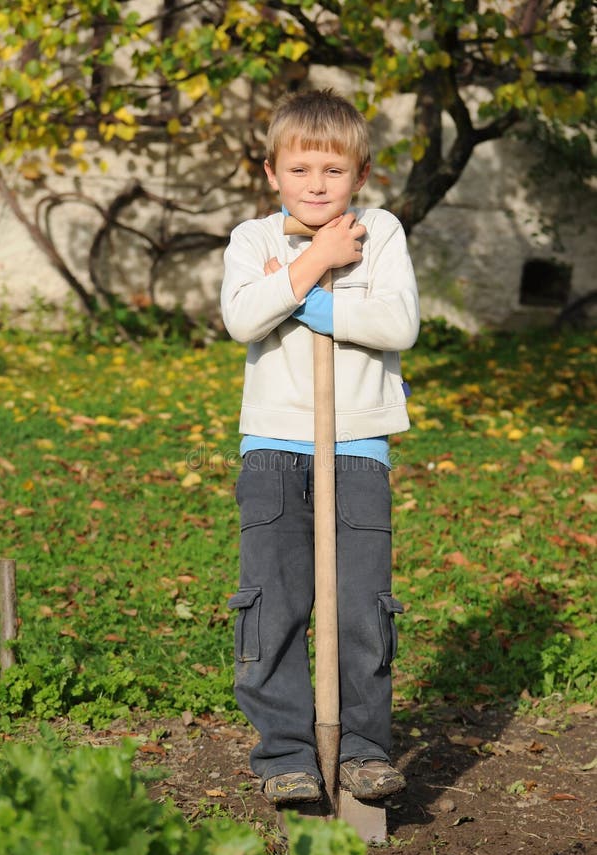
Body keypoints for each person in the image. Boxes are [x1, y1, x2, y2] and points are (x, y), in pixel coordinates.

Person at [221, 88, 420, 805]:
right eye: (300, 169)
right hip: (273, 448)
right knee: (272, 607)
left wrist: (314, 296)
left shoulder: (382, 233)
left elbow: (398, 325)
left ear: (360, 176)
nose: (316, 185)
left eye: (333, 172)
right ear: (272, 172)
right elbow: (242, 317)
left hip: (359, 445)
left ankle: (363, 752)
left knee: (362, 608)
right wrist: (314, 262)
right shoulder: (254, 241)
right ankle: (285, 756)